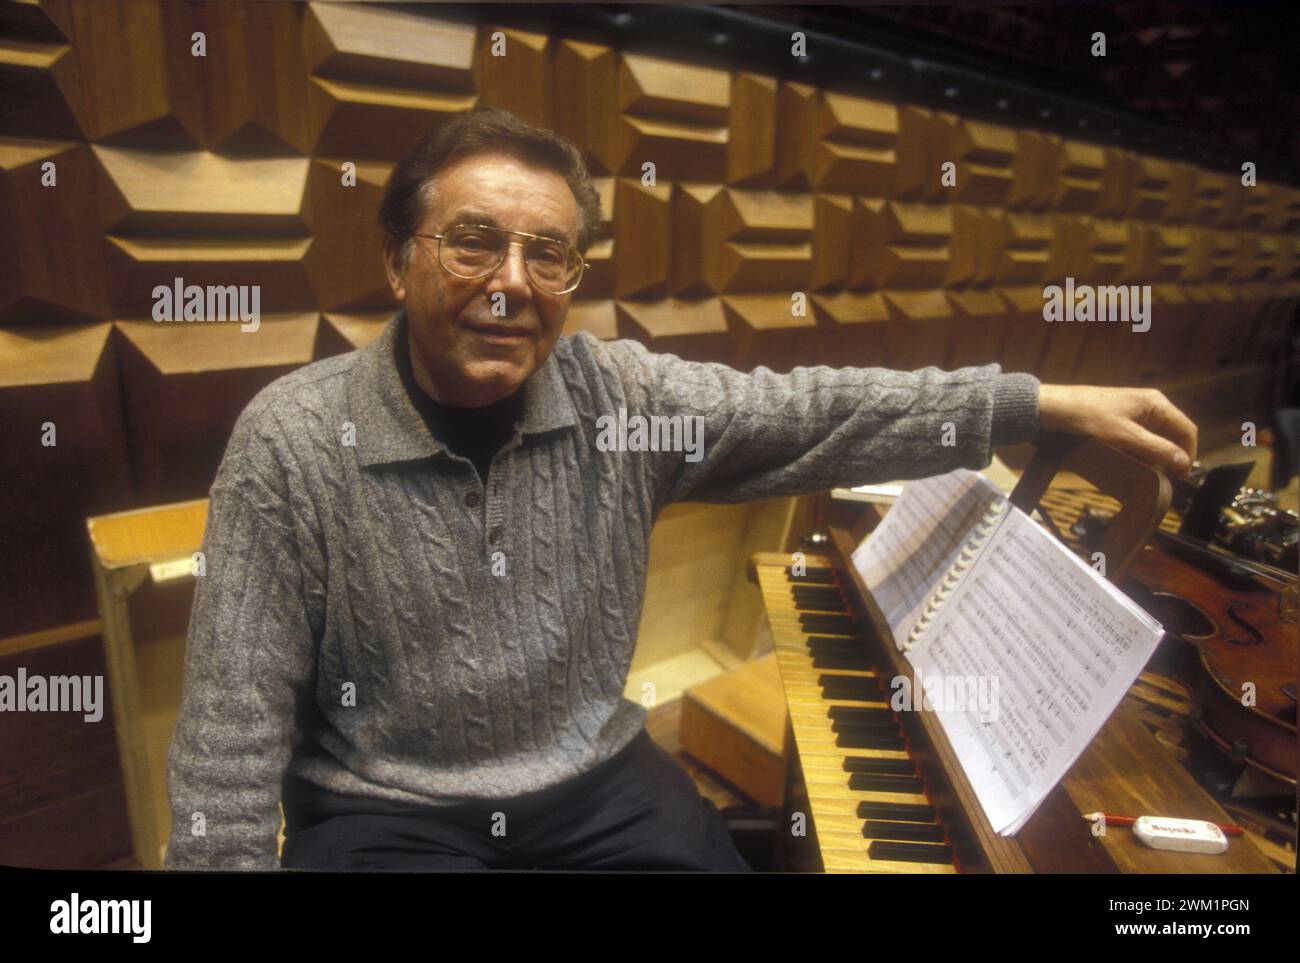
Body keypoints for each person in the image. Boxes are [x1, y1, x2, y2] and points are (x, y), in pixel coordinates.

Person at [163, 105, 1197, 872]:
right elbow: (228, 733)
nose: (511, 280)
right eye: (474, 240)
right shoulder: (291, 442)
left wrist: (1036, 404)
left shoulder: (622, 394)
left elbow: (823, 411)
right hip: (390, 813)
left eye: (549, 255)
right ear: (398, 261)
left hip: (595, 787)